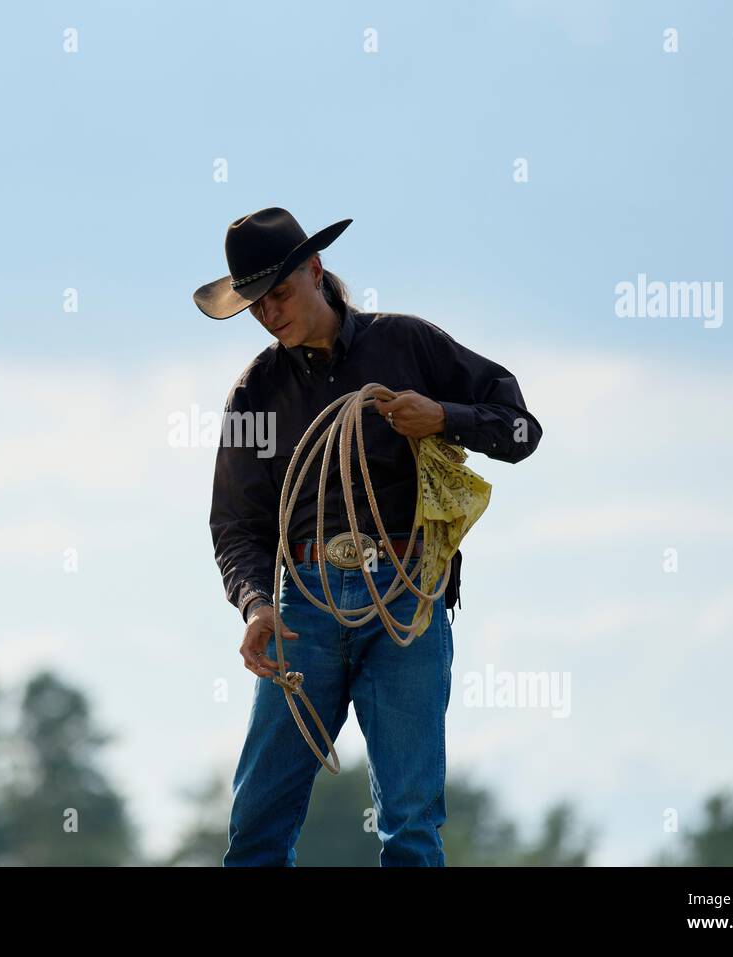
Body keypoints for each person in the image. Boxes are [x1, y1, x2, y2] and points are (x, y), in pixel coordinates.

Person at [194, 207, 543, 866]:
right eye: (255, 306)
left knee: (410, 822)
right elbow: (235, 524)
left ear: (316, 270)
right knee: (256, 823)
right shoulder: (254, 393)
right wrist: (256, 603)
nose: (269, 314)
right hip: (302, 605)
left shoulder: (408, 346)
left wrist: (443, 415)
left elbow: (521, 429)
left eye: (279, 295)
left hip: (406, 598)